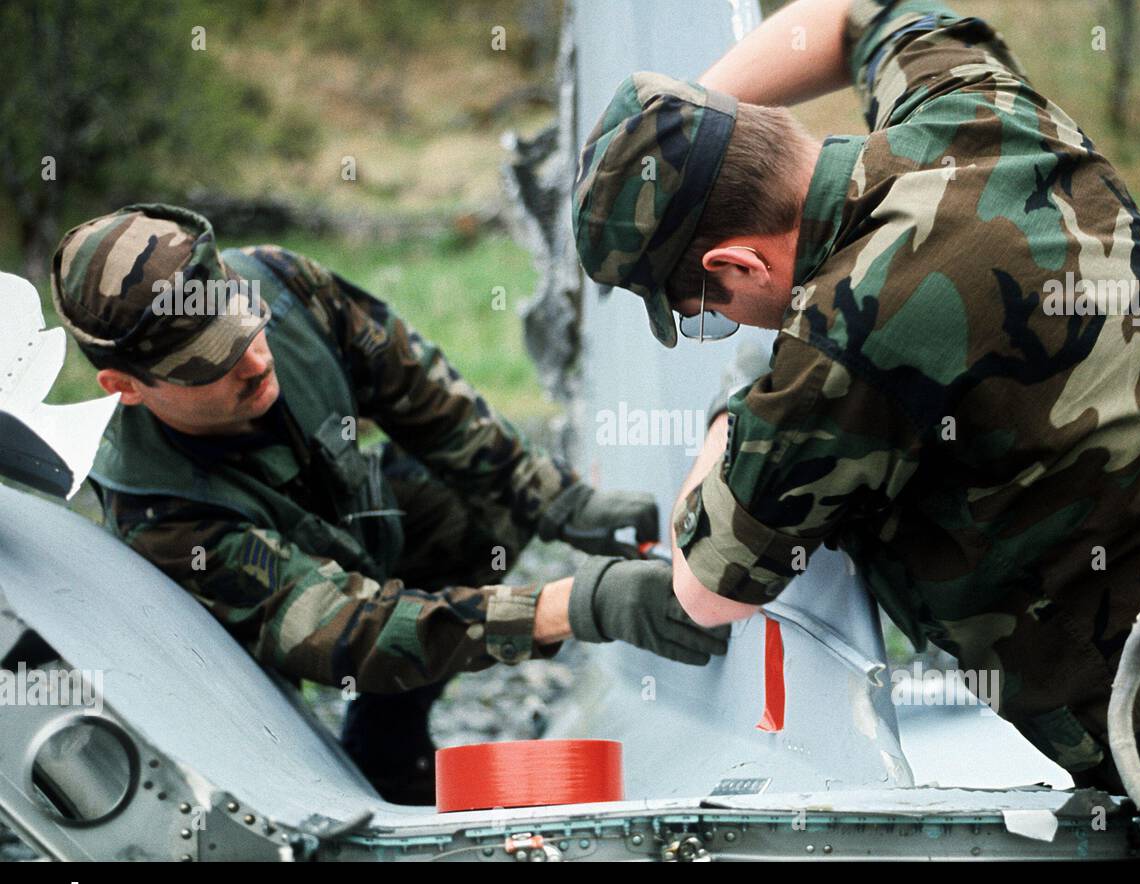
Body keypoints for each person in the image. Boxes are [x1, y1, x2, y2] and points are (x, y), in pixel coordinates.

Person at [571, 0, 1140, 822]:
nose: (723, 325)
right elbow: (851, 15)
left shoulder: (841, 343)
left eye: (707, 307)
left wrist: (727, 418)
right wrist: (688, 124)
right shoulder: (971, 106)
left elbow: (709, 583)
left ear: (736, 263)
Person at [51, 203, 728, 805]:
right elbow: (343, 632)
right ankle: (341, 786)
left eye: (245, 325)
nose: (254, 362)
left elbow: (421, 393)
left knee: (475, 497)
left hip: (353, 534)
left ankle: (387, 746)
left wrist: (559, 502)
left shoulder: (285, 285)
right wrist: (572, 607)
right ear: (126, 387)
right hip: (273, 668)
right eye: (208, 365)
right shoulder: (160, 514)